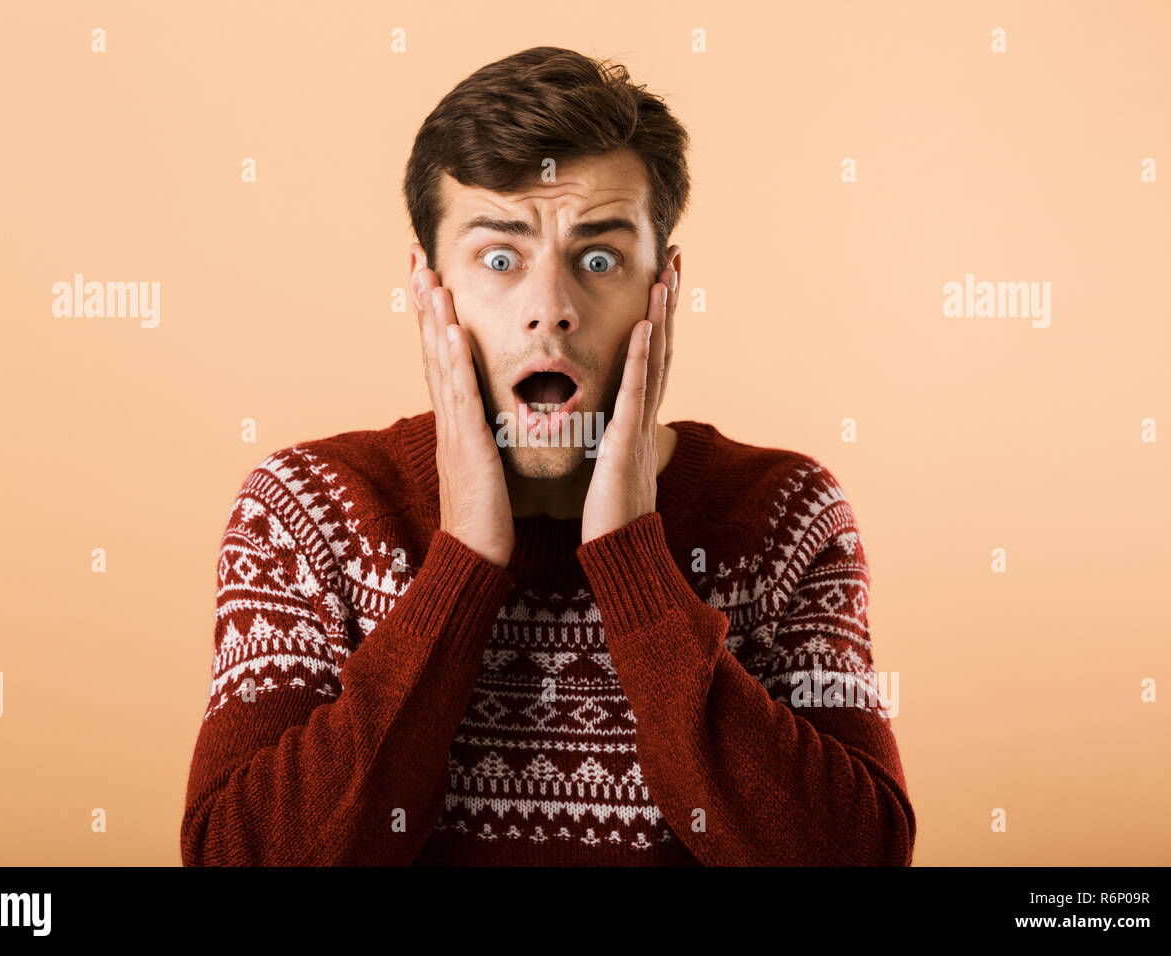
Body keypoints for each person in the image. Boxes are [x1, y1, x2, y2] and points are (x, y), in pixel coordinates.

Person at [180, 45, 915, 866]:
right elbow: (236, 857)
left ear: (662, 289)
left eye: (599, 259)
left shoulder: (787, 517)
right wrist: (459, 565)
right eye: (500, 259)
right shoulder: (303, 513)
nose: (551, 311)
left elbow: (859, 856)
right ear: (429, 290)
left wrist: (635, 561)